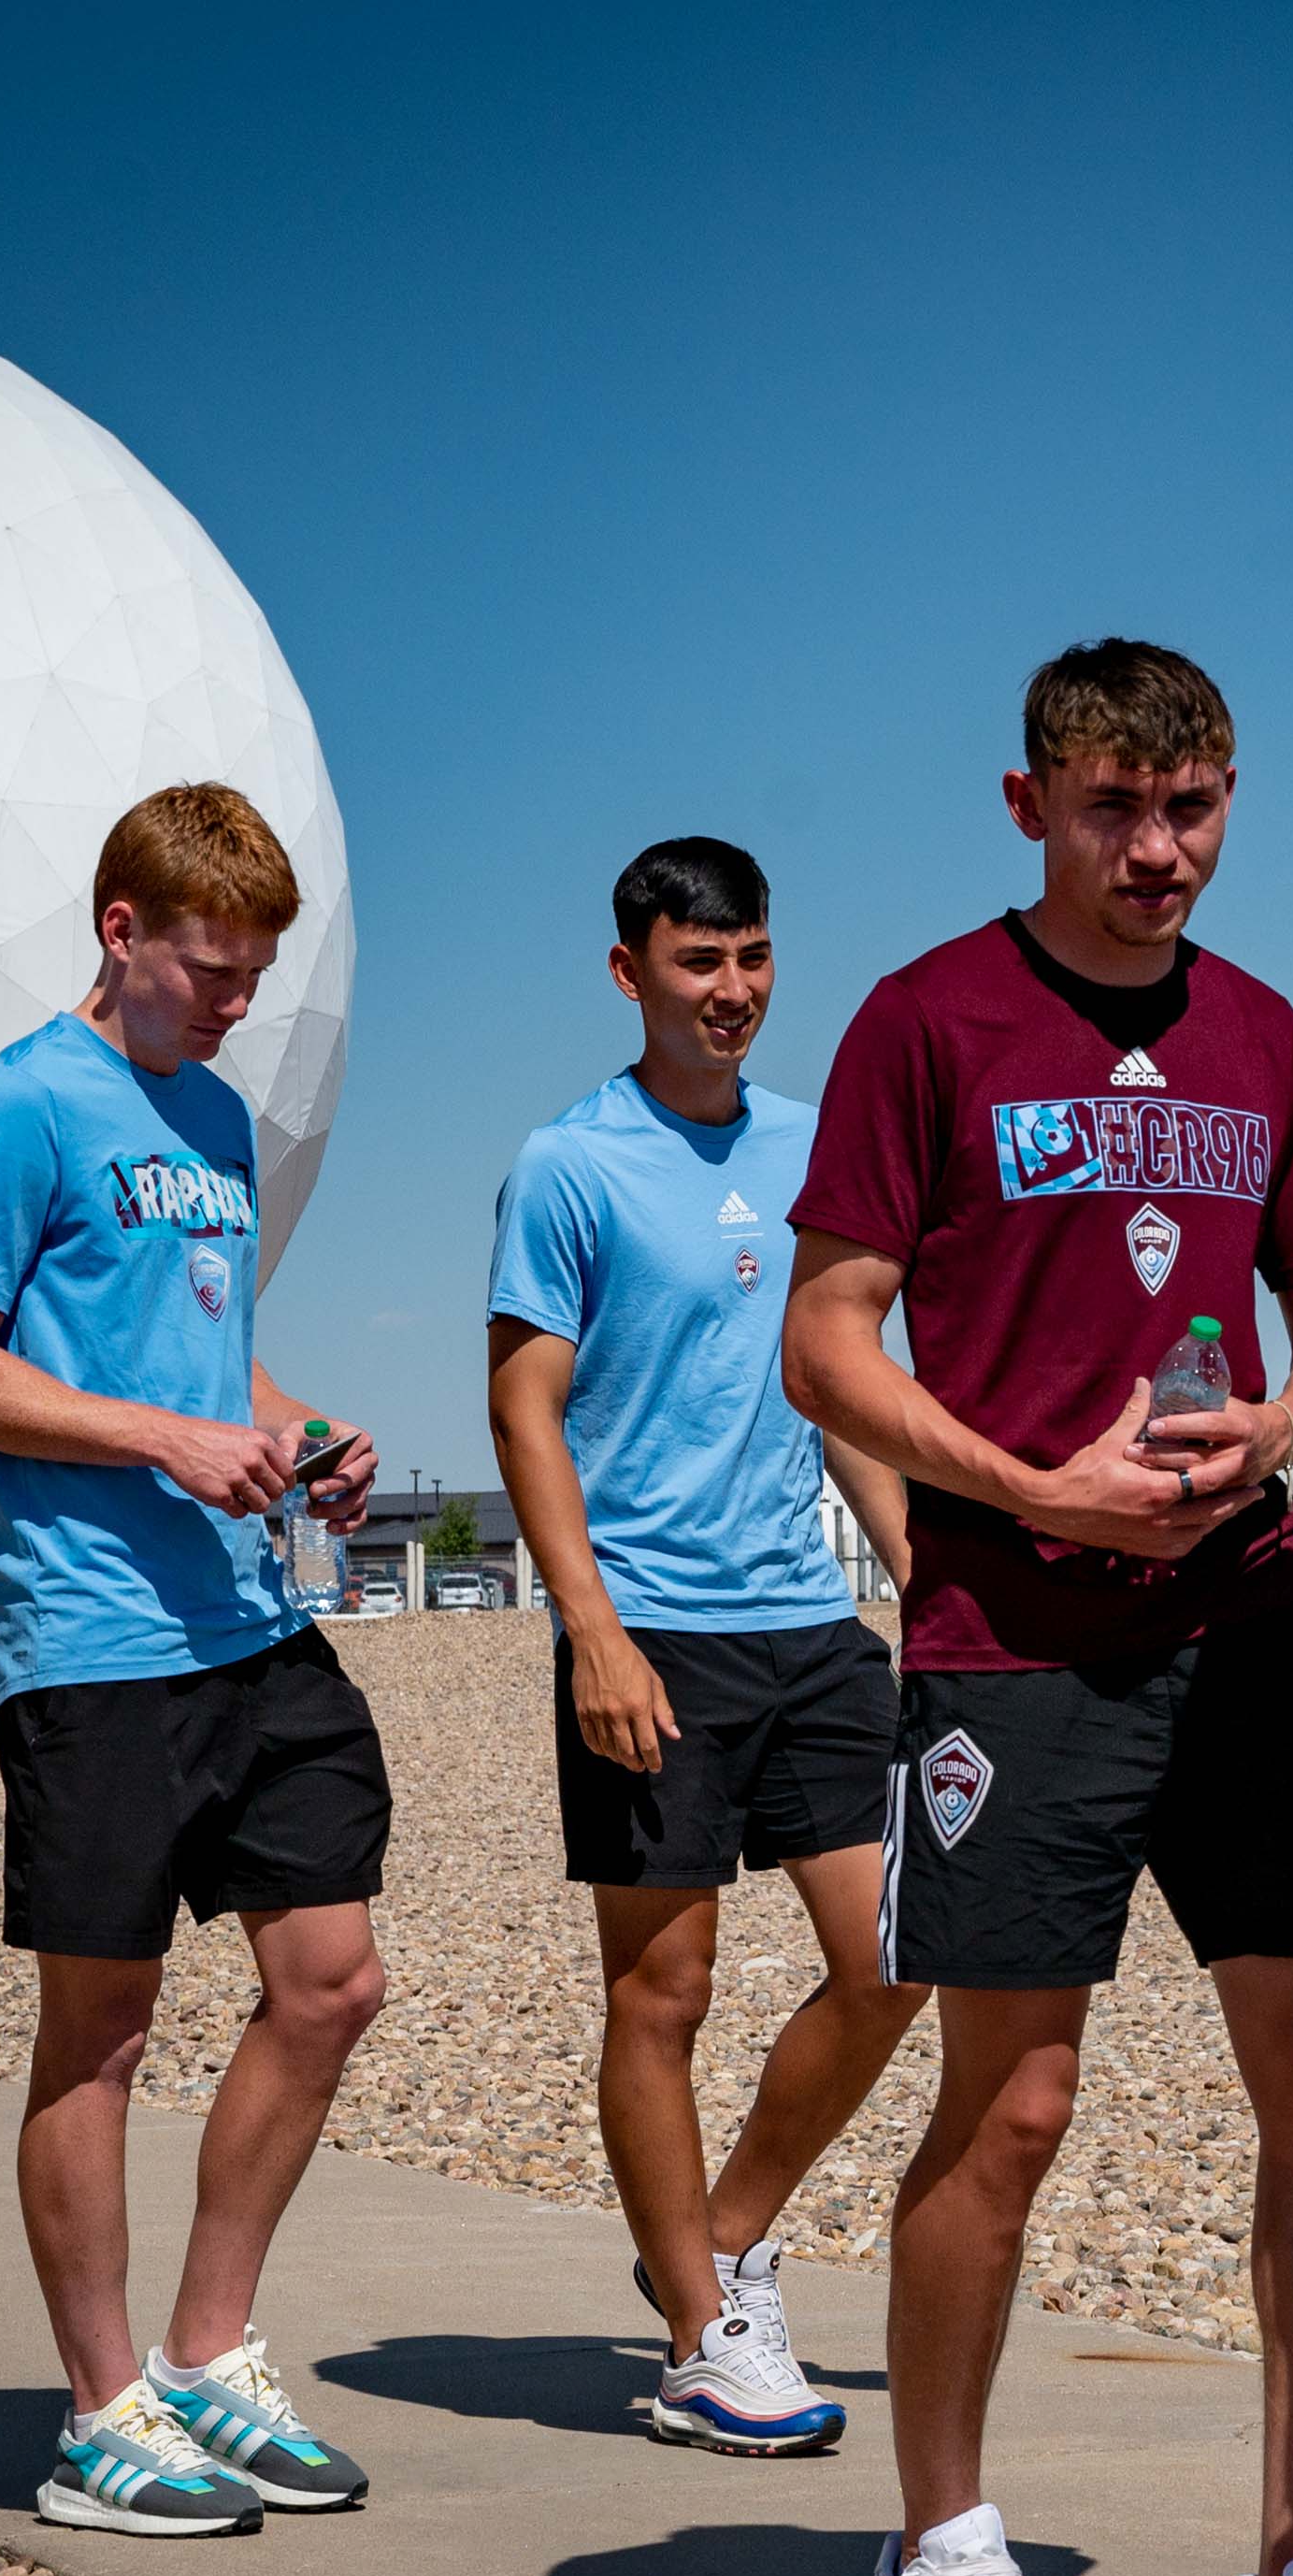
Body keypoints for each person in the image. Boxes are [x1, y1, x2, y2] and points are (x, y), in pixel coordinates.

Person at [781, 639, 1293, 2576]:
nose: (1155, 851)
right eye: (1110, 809)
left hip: (1250, 1617)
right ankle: (939, 2552)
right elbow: (829, 1336)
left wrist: (1283, 1433)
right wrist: (1025, 1481)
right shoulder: (926, 1021)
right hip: (1020, 1634)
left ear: (1231, 796)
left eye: (1190, 808)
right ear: (1028, 805)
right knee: (1018, 2095)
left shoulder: (1264, 1028)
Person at [0, 781, 395, 2539]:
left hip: (248, 1617)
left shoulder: (217, 1119)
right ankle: (98, 2412)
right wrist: (159, 1442)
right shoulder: (24, 1108)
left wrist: (296, 1427)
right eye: (208, 968)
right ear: (122, 931)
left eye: (256, 973)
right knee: (99, 2038)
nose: (235, 1002)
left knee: (331, 1977)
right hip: (92, 1638)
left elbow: (211, 1368)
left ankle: (204, 2357)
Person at [488, 835, 930, 2457]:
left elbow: (840, 1389)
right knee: (661, 1990)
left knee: (897, 1950)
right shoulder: (569, 1163)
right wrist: (588, 1628)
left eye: (749, 957)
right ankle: (697, 2336)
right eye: (696, 962)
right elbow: (522, 1405)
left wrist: (920, 1578)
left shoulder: (815, 1149)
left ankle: (722, 2238)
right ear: (631, 973)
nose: (730, 990)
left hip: (809, 1627)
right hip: (650, 1633)